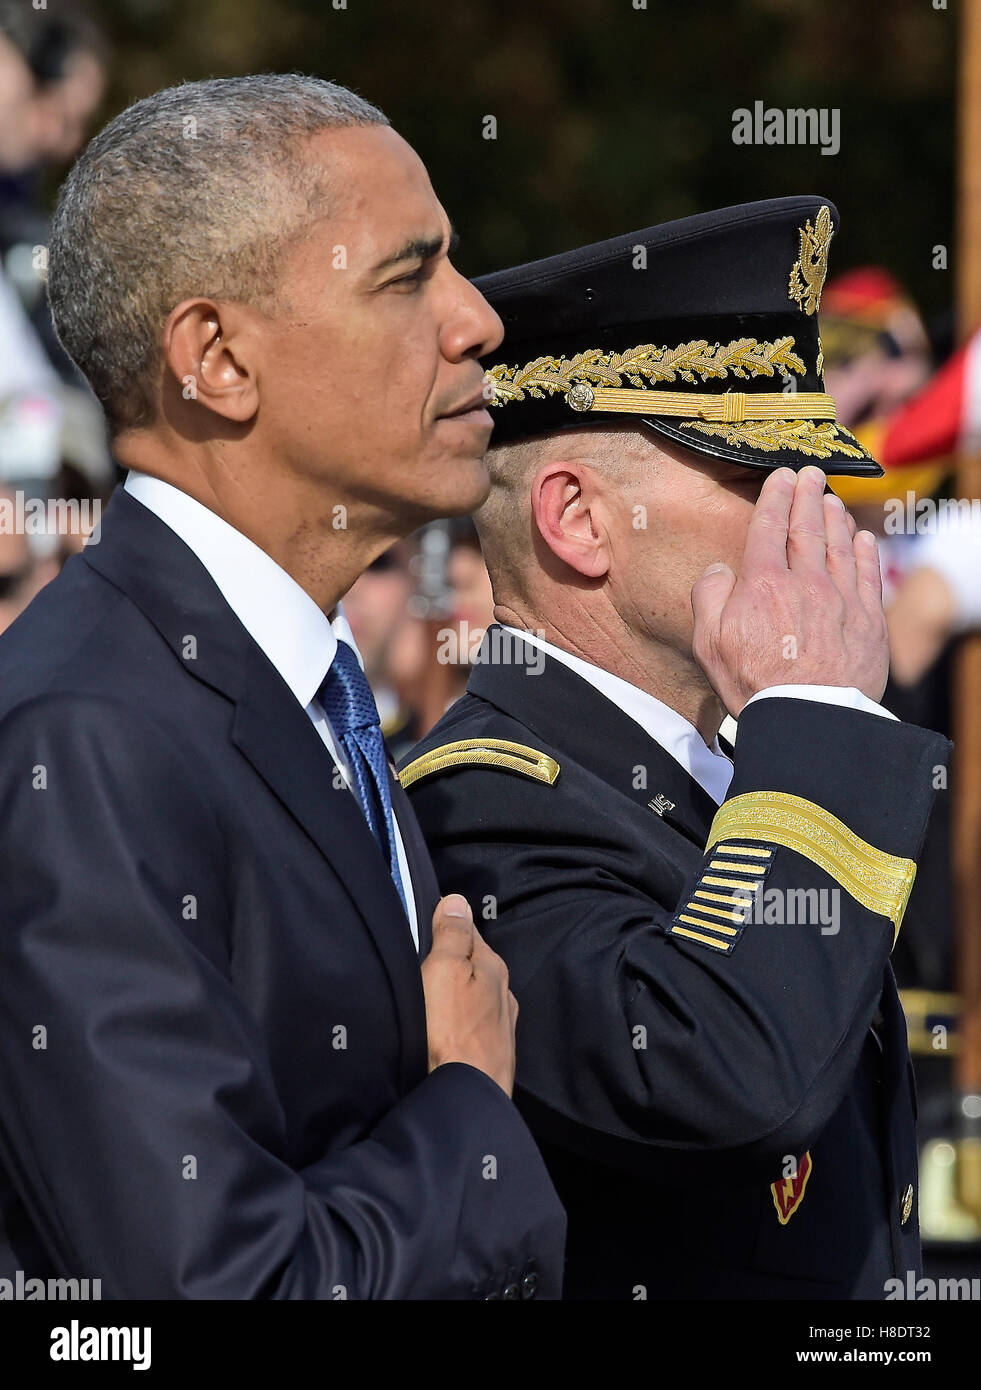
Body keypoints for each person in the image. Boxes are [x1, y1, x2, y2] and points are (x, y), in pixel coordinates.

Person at [0, 73, 565, 1300]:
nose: (476, 321)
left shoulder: (295, 691)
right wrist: (469, 1115)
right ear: (215, 358)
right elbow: (211, 1289)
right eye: (407, 277)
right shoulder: (90, 738)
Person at [401, 197, 951, 1299]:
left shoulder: (720, 775)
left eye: (813, 474)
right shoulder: (478, 808)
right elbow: (719, 1083)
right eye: (759, 480)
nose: (817, 515)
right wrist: (816, 714)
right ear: (580, 520)